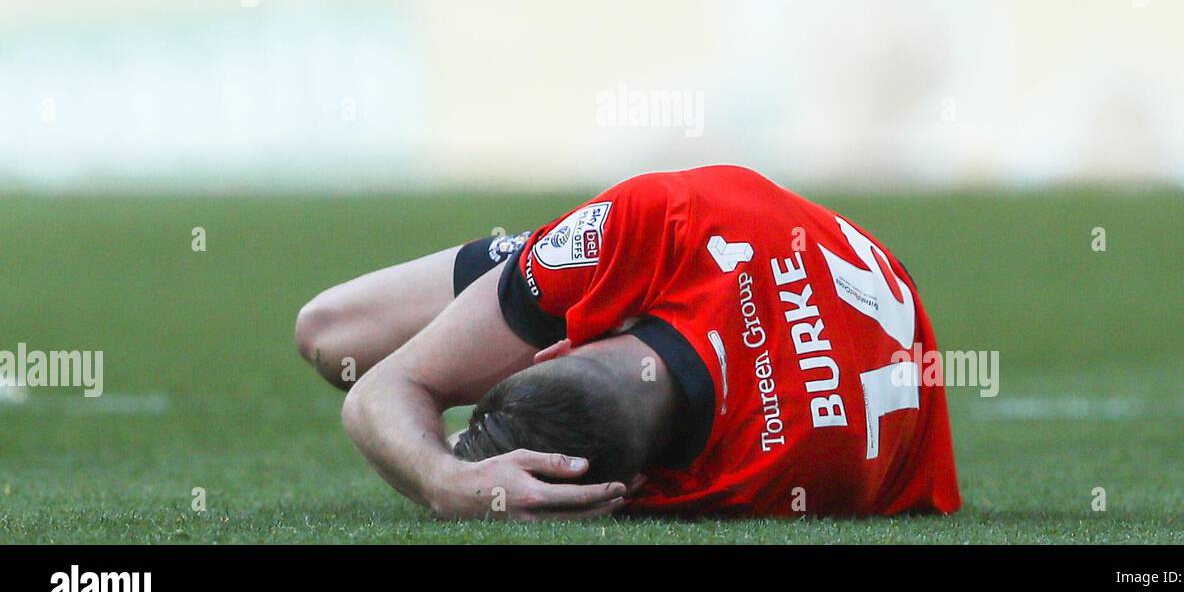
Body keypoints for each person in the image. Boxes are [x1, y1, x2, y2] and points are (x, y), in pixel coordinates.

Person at [297, 165, 961, 520]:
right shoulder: (652, 223)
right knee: (331, 336)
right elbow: (379, 387)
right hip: (727, 240)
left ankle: (548, 262)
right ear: (554, 347)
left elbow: (385, 393)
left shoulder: (758, 480)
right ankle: (551, 252)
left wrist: (453, 476)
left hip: (797, 267)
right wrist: (445, 480)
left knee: (344, 339)